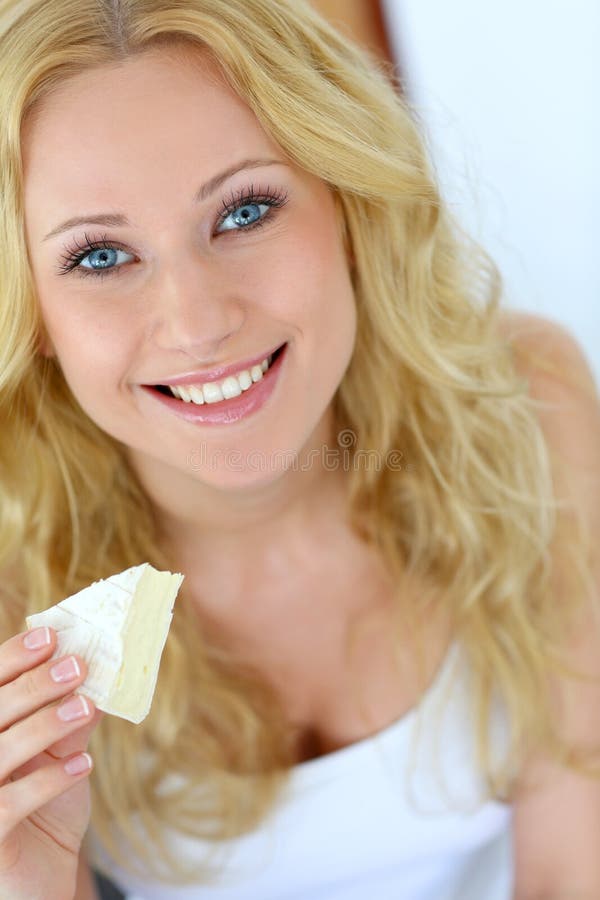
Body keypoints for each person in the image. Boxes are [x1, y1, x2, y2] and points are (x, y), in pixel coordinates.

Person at [0, 1, 599, 899]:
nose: (199, 325)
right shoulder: (12, 567)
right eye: (98, 257)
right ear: (32, 314)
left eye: (244, 210)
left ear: (348, 206)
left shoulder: (523, 403)